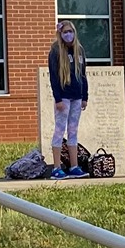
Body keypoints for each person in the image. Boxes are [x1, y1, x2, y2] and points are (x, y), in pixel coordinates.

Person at [47, 21, 89, 179]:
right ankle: (57, 167)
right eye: (65, 32)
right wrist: (57, 98)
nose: (68, 34)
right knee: (59, 131)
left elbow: (83, 74)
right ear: (60, 34)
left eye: (71, 31)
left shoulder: (79, 50)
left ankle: (74, 166)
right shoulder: (55, 51)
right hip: (63, 97)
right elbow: (53, 77)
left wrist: (85, 96)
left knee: (73, 131)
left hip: (77, 96)